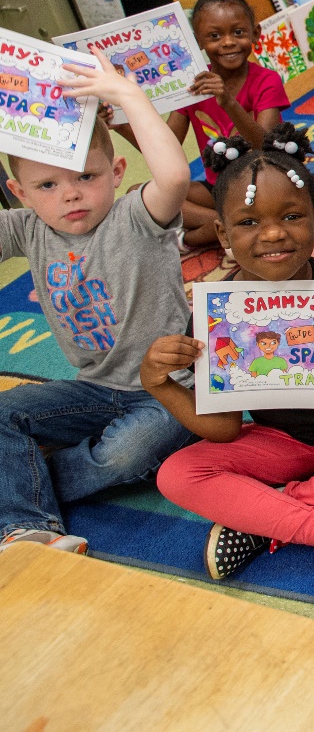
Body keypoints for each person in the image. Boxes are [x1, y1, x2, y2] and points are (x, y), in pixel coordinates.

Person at [141, 124, 314, 593]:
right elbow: (225, 429)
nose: (272, 234)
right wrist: (159, 383)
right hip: (280, 441)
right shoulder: (218, 314)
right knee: (178, 473)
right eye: (248, 223)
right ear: (222, 233)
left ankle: (261, 515)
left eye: (290, 217)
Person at [0, 53, 193, 554]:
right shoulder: (28, 228)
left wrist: (126, 95)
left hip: (173, 392)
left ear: (117, 171)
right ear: (19, 193)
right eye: (47, 185)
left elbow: (174, 177)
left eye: (86, 176)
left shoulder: (135, 216)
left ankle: (21, 478)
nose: (70, 195)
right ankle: (25, 524)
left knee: (126, 453)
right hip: (95, 389)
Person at [116, 0, 289, 252]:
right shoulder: (192, 85)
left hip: (263, 185)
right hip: (219, 191)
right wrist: (120, 126)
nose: (229, 42)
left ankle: (193, 238)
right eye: (214, 36)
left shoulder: (266, 80)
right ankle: (229, 225)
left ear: (255, 33)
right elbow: (166, 149)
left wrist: (229, 103)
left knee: (260, 209)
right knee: (139, 195)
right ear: (198, 42)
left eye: (238, 32)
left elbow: (267, 148)